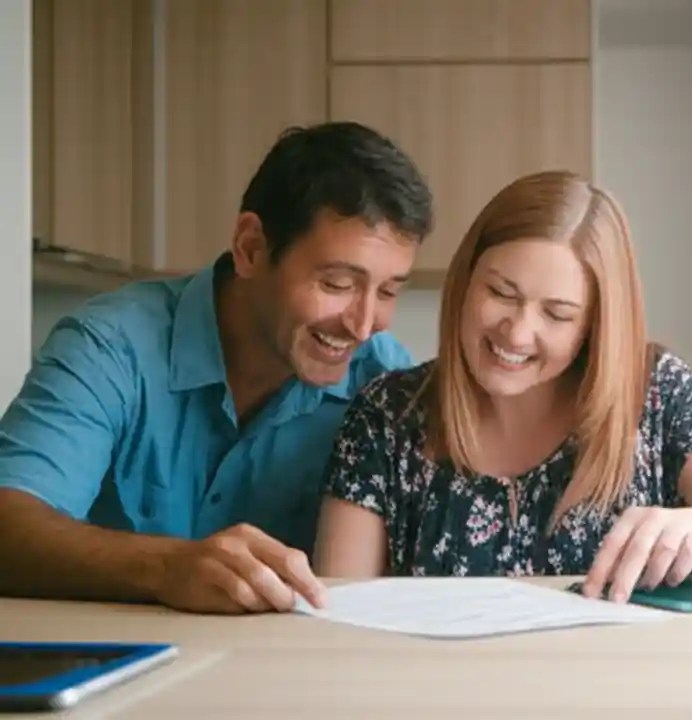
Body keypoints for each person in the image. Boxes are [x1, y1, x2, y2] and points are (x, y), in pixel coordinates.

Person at [313, 170, 692, 602]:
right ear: (465, 279)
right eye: (500, 292)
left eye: (557, 315)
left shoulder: (655, 395)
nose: (517, 332)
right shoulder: (386, 414)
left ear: (593, 327)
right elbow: (342, 613)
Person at [0, 121, 434, 614]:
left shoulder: (383, 382)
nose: (362, 325)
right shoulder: (111, 346)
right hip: (105, 666)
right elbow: (9, 525)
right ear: (251, 247)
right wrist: (164, 568)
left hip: (291, 673)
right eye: (337, 283)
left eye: (390, 291)